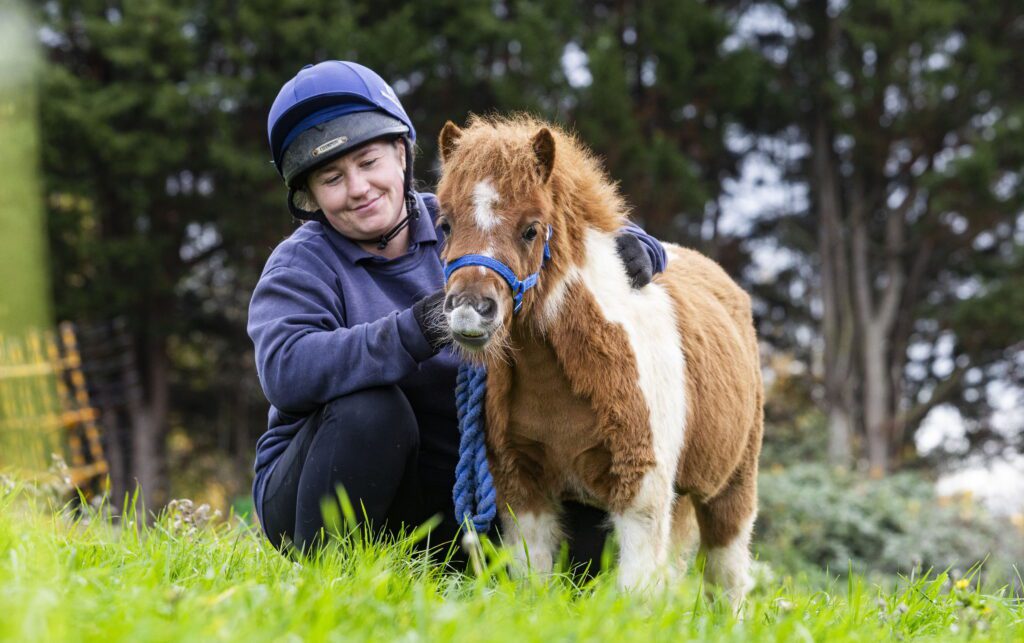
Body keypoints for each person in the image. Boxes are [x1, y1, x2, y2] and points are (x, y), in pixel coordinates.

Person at [248, 61, 667, 560]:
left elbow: (553, 223)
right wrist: (416, 330)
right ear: (311, 196)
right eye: (332, 178)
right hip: (327, 482)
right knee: (372, 412)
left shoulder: (465, 215)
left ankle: (466, 564)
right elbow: (287, 370)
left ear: (401, 154)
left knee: (582, 531)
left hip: (460, 487)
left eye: (368, 162)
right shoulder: (302, 263)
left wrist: (637, 245)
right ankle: (328, 569)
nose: (358, 187)